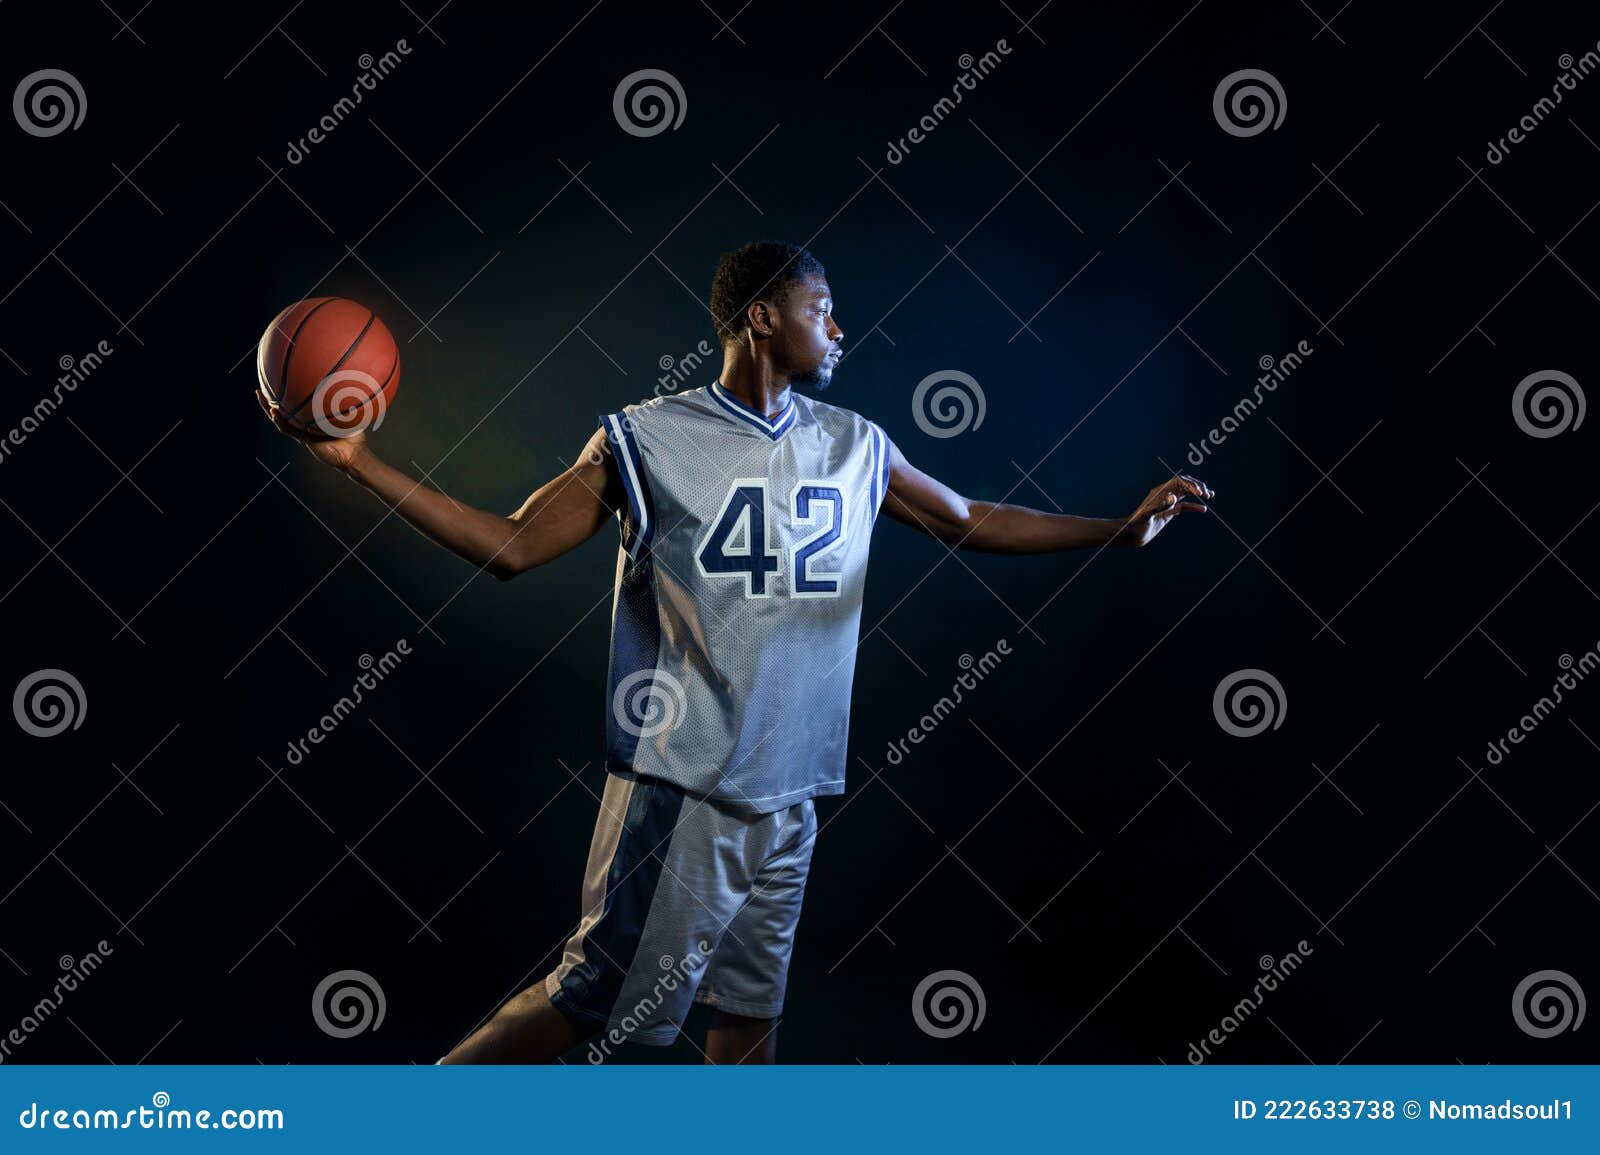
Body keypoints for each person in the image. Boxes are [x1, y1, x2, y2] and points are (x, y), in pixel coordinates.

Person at [258, 241, 1213, 1064]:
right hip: (686, 789)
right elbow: (511, 547)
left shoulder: (856, 443)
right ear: (763, 316)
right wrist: (362, 464)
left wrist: (1115, 531)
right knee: (590, 995)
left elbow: (969, 517)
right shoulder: (647, 435)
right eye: (821, 308)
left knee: (747, 1022)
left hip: (791, 793)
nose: (839, 328)